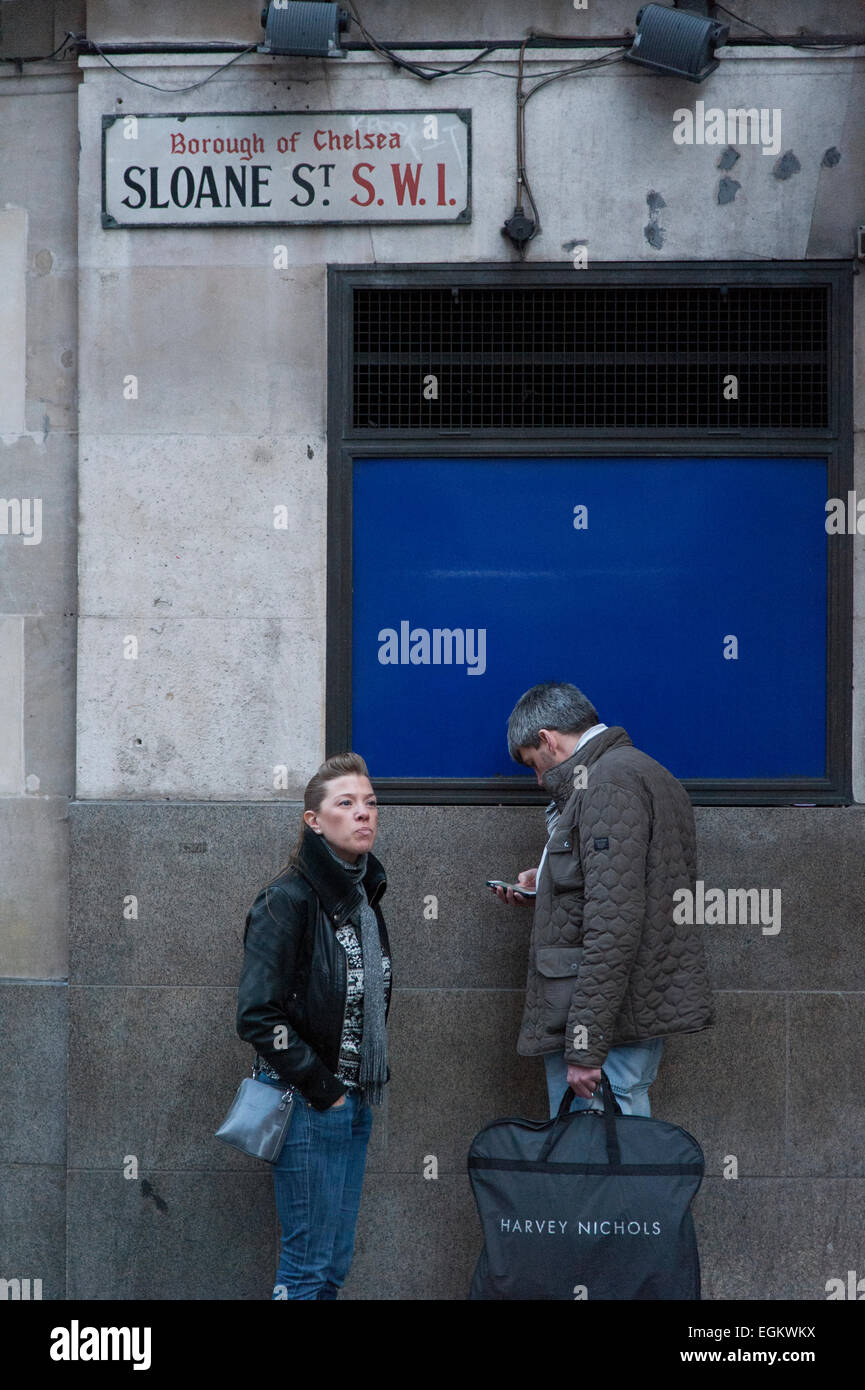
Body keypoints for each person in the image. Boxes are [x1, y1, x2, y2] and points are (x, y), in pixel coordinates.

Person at [490, 682, 714, 1119]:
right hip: (628, 1008)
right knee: (616, 1158)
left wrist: (585, 1045)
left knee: (595, 1169)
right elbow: (627, 887)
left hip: (607, 1021)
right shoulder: (643, 771)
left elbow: (614, 924)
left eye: (534, 766)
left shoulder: (605, 783)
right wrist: (550, 881)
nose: (538, 781)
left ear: (547, 739)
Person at [236, 751, 392, 1300]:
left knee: (332, 1266)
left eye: (370, 804)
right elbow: (258, 1014)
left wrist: (346, 1098)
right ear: (313, 820)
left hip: (352, 1103)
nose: (363, 815)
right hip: (306, 1101)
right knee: (306, 1267)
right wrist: (324, 1090)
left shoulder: (363, 898)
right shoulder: (287, 900)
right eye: (346, 804)